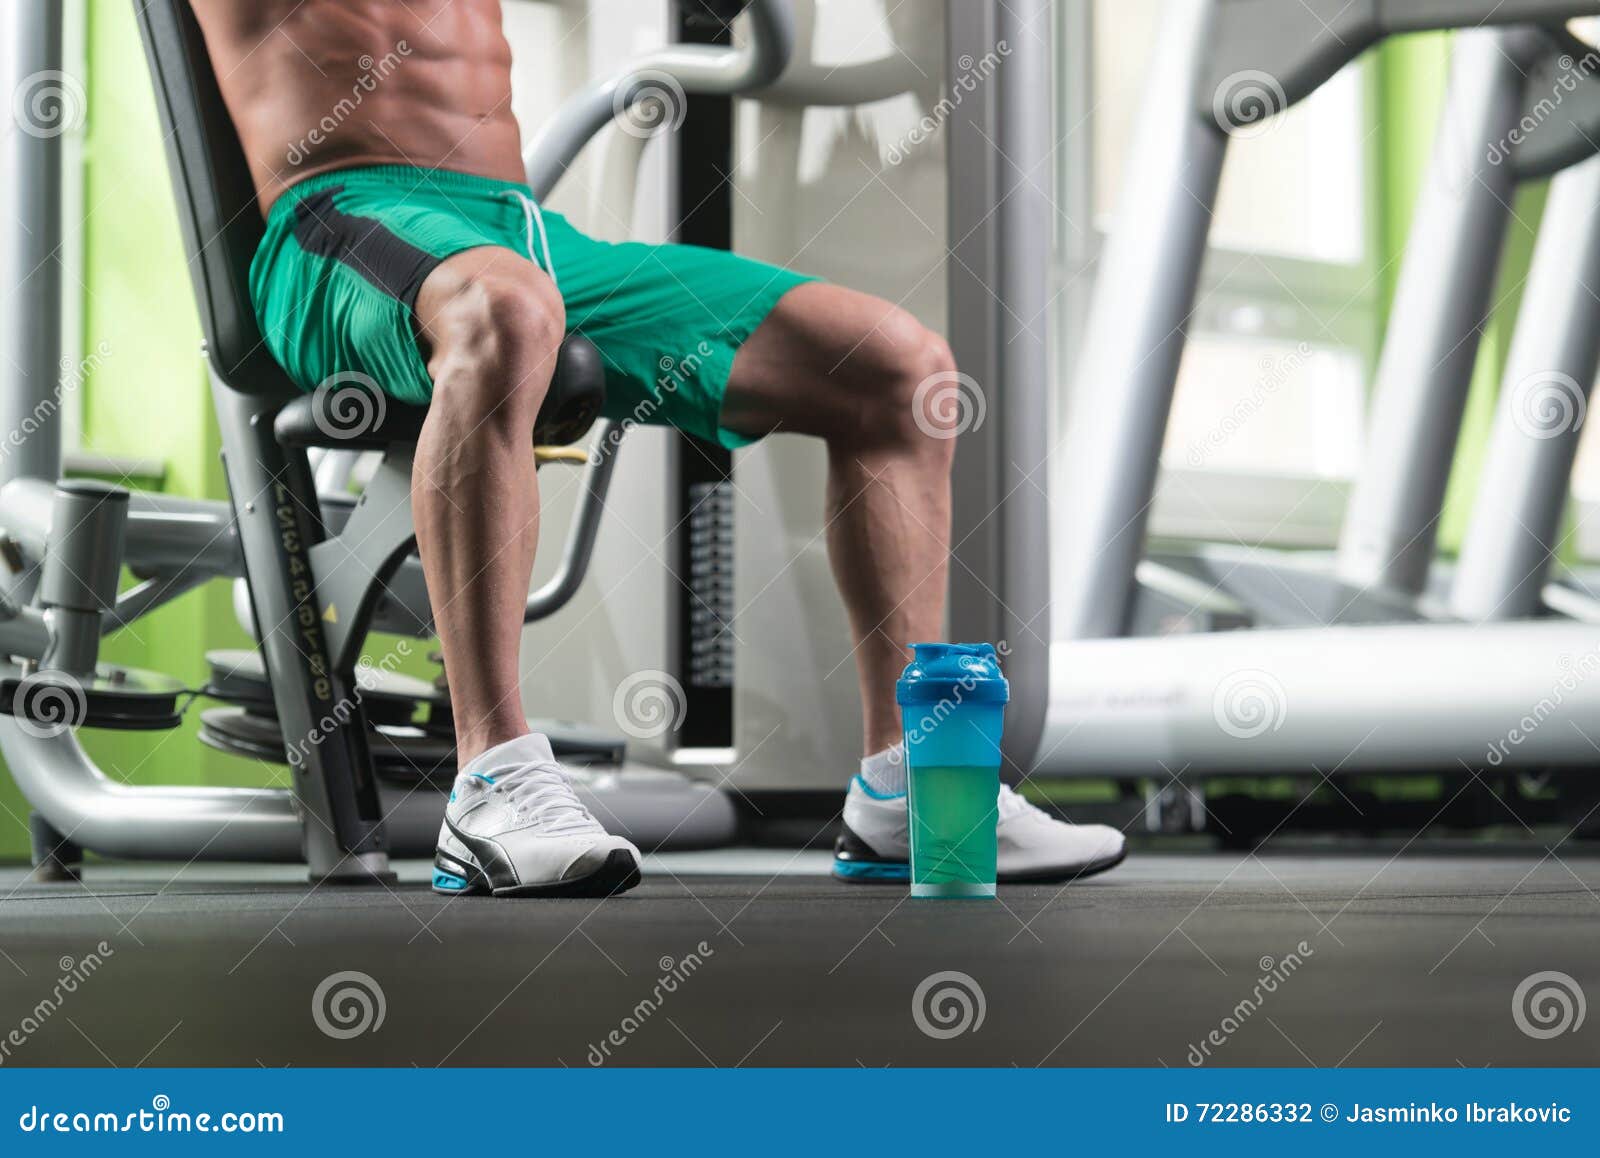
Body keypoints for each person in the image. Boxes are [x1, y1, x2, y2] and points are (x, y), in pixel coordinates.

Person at [187, 0, 1126, 897]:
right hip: (337, 223)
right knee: (505, 313)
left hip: (523, 235)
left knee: (897, 372)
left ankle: (909, 793)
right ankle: (493, 786)